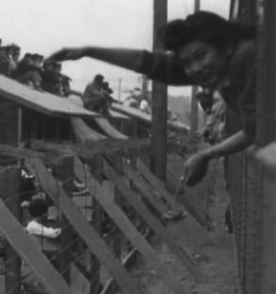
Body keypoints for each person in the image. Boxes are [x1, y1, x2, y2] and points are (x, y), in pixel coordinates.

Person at [48, 11, 257, 186]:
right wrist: (89, 51)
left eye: (200, 55)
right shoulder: (223, 61)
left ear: (225, 45)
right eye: (186, 63)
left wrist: (206, 155)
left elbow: (253, 131)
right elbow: (154, 64)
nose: (194, 69)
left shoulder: (244, 59)